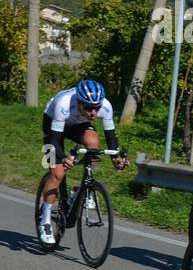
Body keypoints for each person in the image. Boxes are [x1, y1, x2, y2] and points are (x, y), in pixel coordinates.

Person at [38, 80, 128, 245]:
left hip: (77, 124)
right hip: (52, 126)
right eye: (88, 108)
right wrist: (62, 158)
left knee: (93, 143)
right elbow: (54, 139)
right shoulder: (63, 103)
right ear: (79, 103)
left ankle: (80, 190)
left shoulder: (105, 106)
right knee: (57, 173)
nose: (93, 112)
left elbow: (111, 136)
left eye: (96, 108)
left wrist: (116, 158)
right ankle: (45, 220)